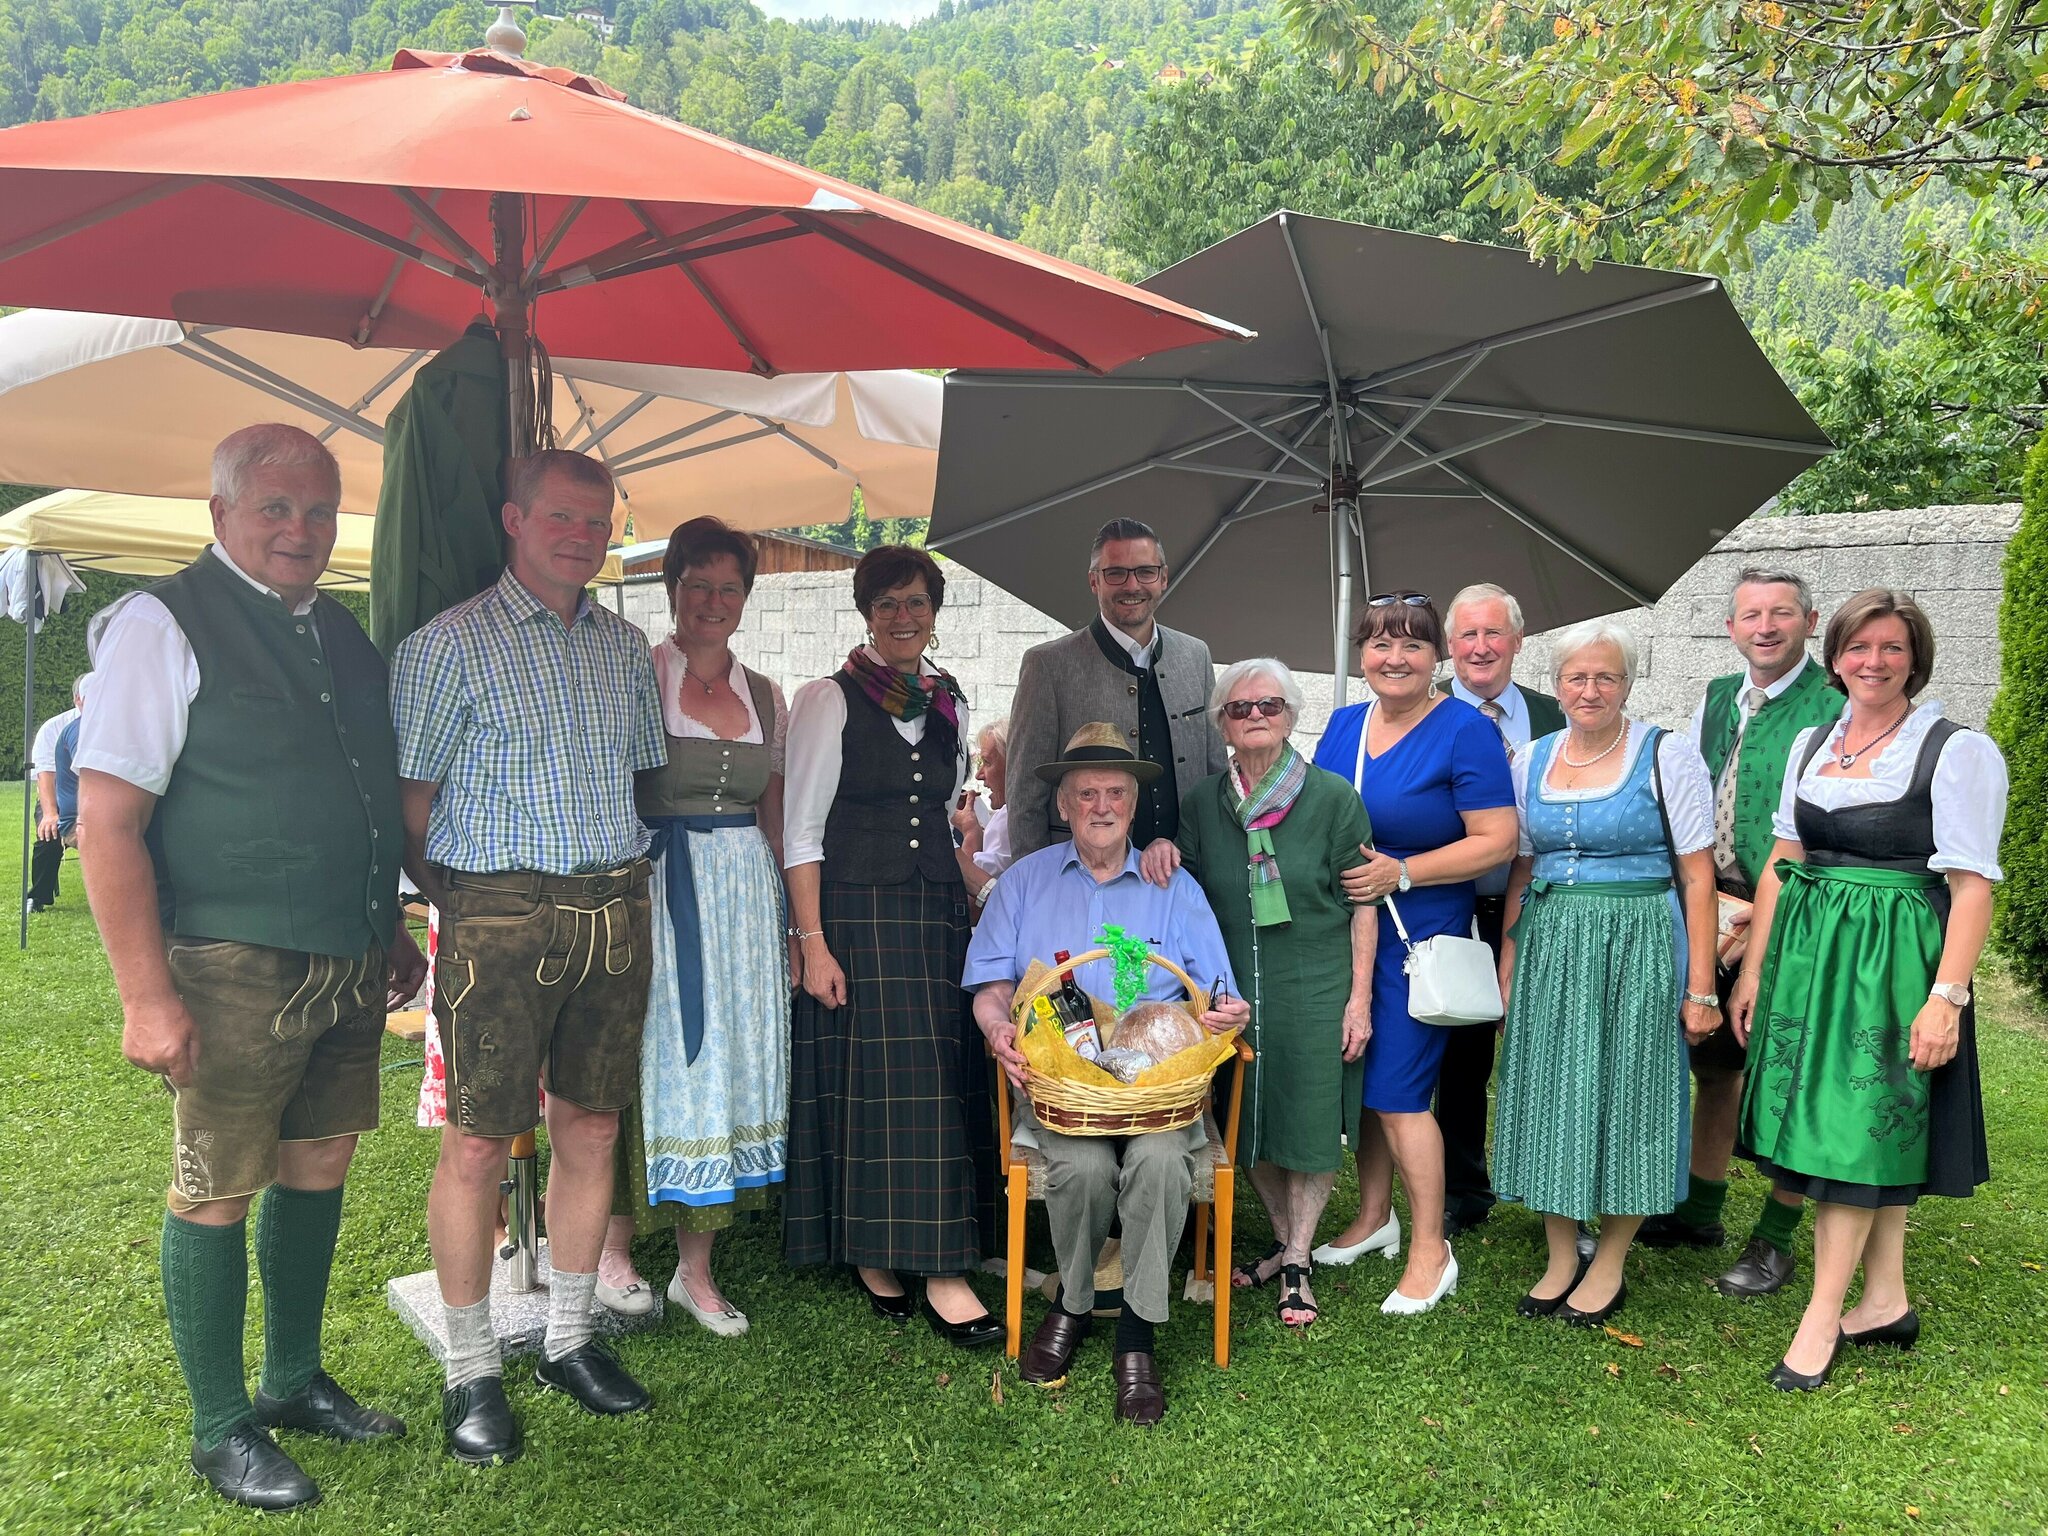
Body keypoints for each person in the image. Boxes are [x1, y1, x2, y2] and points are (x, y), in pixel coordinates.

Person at [76, 424, 423, 1510]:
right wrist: (146, 997)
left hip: (347, 952)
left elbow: (362, 791)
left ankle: (292, 1379)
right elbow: (107, 822)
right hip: (230, 959)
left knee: (319, 1160)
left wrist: (389, 922)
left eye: (319, 510)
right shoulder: (162, 623)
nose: (300, 529)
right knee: (217, 1184)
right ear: (220, 511)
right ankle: (220, 1425)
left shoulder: (341, 630)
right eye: (275, 507)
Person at [392, 449, 666, 1465]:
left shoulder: (626, 648)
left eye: (596, 522)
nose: (581, 538)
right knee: (477, 1140)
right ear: (514, 520)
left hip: (614, 903)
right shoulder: (444, 646)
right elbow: (410, 808)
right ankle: (471, 1368)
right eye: (561, 517)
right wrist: (467, 907)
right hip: (496, 909)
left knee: (593, 1125)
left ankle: (569, 1339)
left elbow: (638, 782)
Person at [1730, 589, 2005, 1390]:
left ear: (1916, 658)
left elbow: (1972, 887)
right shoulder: (1813, 741)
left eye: (1892, 648)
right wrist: (1756, 969)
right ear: (1836, 655)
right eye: (1858, 647)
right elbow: (1784, 860)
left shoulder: (1955, 750)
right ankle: (1885, 1299)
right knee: (1862, 1133)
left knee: (1850, 1137)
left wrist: (1946, 998)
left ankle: (1821, 1318)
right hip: (1813, 962)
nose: (1873, 663)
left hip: (1893, 964)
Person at [966, 723, 1249, 1423]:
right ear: (1063, 804)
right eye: (1086, 793)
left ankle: (1136, 1335)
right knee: (1085, 1168)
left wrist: (1225, 1014)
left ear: (1133, 803)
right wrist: (998, 1029)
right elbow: (991, 988)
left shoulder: (1172, 885)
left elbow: (1216, 993)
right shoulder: (1024, 882)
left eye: (1116, 793)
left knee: (1160, 1162)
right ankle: (1073, 1301)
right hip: (1061, 1088)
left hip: (1160, 1092)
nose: (1102, 806)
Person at [782, 544, 1002, 1348]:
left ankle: (921, 1249)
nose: (902, 617)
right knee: (875, 1081)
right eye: (887, 604)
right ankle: (905, 1259)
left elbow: (945, 816)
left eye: (916, 602)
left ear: (934, 612)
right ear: (866, 613)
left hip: (935, 911)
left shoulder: (949, 701)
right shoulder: (827, 699)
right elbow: (801, 833)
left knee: (935, 1075)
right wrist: (812, 943)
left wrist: (985, 892)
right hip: (856, 912)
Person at [1492, 620, 1721, 1325]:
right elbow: (1523, 869)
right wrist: (1508, 962)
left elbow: (1698, 877)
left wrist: (1702, 987)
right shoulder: (1531, 758)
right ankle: (1562, 1253)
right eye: (1576, 677)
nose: (1589, 690)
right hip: (1550, 941)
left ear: (1627, 684)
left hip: (1639, 939)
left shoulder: (1666, 754)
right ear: (1557, 685)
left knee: (1633, 1091)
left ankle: (1613, 1258)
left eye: (1606, 677)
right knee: (1550, 1088)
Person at [595, 517, 791, 1337]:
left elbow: (774, 815)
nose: (714, 601)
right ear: (671, 588)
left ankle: (695, 1271)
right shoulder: (638, 675)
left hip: (742, 896)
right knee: (647, 1057)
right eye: (698, 584)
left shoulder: (766, 694)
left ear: (746, 597)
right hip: (656, 886)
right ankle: (612, 1250)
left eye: (729, 587)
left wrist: (789, 923)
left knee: (724, 1063)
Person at [1310, 593, 1518, 1315]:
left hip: (1417, 936)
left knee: (1400, 1093)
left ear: (1438, 657)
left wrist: (1402, 871)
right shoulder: (1343, 725)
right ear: (1361, 654)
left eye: (1412, 645)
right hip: (1346, 932)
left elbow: (1498, 840)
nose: (1394, 658)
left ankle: (1433, 1248)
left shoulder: (1465, 731)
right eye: (1379, 643)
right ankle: (1374, 1217)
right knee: (1366, 1083)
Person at [1642, 567, 1845, 1296]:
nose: (1765, 627)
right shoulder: (1719, 696)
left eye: (1781, 613)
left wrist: (1767, 905)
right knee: (1715, 1063)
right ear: (1730, 627)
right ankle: (1700, 1211)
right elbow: (1696, 799)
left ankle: (1777, 1236)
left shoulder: (1836, 703)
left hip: (1793, 906)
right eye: (1751, 615)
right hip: (1714, 905)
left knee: (1790, 1068)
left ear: (1810, 622)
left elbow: (1833, 823)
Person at [1167, 660, 1374, 1329]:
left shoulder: (1334, 798)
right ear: (1222, 724)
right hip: (1231, 990)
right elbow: (1183, 894)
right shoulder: (1203, 803)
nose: (1255, 716)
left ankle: (1297, 1259)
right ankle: (1288, 1244)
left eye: (1269, 705)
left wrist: (1359, 1001)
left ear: (1290, 715)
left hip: (1316, 982)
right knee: (1245, 1114)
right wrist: (1160, 851)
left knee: (1309, 1116)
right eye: (1240, 708)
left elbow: (1363, 902)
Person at [1437, 583, 1566, 1235]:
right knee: (1460, 1056)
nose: (1481, 647)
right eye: (1468, 634)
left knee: (1543, 1045)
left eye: (1494, 634)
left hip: (1539, 903)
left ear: (1518, 641)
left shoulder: (1555, 714)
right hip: (1453, 904)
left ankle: (1551, 1183)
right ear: (1449, 645)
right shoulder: (1428, 709)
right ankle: (1463, 1189)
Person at [1005, 518, 1227, 862]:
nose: (1132, 585)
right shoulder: (1047, 665)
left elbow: (1216, 775)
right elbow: (1025, 796)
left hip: (1185, 870)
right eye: (1116, 573)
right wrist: (1035, 880)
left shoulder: (1196, 655)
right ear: (1094, 581)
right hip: (1079, 871)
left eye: (1145, 572)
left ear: (1163, 578)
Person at [27, 680, 84, 913]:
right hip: (59, 798)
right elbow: (46, 776)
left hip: (101, 798)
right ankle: (38, 896)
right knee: (49, 834)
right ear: (77, 699)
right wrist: (50, 814)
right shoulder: (53, 728)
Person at [951, 717, 1013, 907]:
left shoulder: (1008, 818)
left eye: (987, 762)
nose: (979, 775)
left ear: (1014, 766)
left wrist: (971, 832)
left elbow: (969, 904)